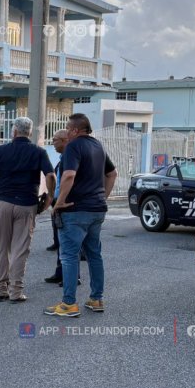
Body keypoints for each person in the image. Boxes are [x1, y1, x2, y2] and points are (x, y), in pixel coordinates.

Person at [46, 113, 118, 318]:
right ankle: (96, 299)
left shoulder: (73, 147)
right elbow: (112, 174)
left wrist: (59, 202)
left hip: (75, 210)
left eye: (69, 129)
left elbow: (69, 175)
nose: (67, 132)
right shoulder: (98, 146)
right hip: (96, 209)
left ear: (75, 130)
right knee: (94, 254)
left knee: (69, 256)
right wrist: (102, 197)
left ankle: (69, 304)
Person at [0, 117, 55, 303]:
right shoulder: (39, 152)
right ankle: (16, 292)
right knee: (20, 249)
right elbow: (50, 176)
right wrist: (50, 197)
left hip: (3, 203)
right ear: (30, 132)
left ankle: (0, 289)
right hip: (27, 204)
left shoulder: (1, 151)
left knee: (1, 247)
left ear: (14, 132)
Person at [45, 129, 81, 286]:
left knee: (70, 245)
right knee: (61, 242)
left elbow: (69, 179)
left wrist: (59, 201)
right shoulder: (62, 159)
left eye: (55, 140)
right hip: (59, 203)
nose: (52, 143)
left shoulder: (71, 158)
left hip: (67, 205)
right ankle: (60, 273)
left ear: (65, 140)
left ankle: (73, 277)